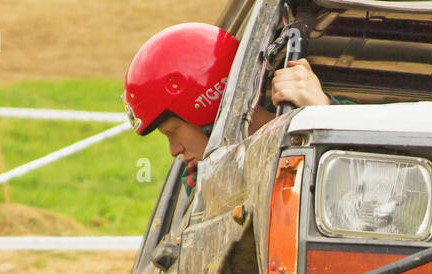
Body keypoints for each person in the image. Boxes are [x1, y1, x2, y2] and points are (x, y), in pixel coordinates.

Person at [123, 22, 334, 181]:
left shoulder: (340, 108)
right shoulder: (196, 176)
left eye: (172, 131)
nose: (173, 150)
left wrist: (324, 113)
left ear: (209, 109)